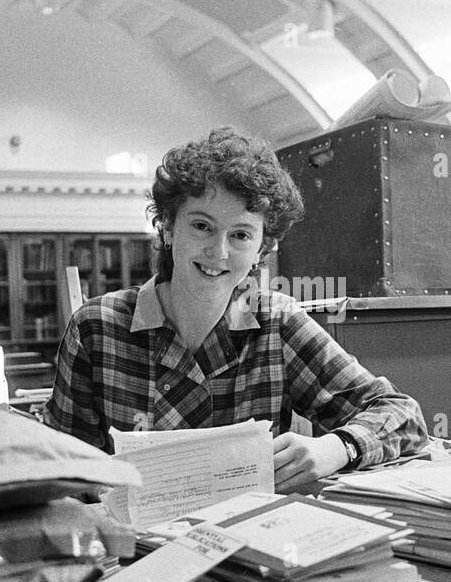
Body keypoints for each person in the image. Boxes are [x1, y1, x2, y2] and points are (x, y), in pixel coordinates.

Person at [44, 126, 427, 491]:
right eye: (201, 226)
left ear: (262, 249)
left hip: (248, 544)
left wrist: (336, 448)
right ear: (168, 228)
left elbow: (403, 416)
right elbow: (58, 470)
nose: (218, 251)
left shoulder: (277, 322)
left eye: (241, 234)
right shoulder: (97, 327)